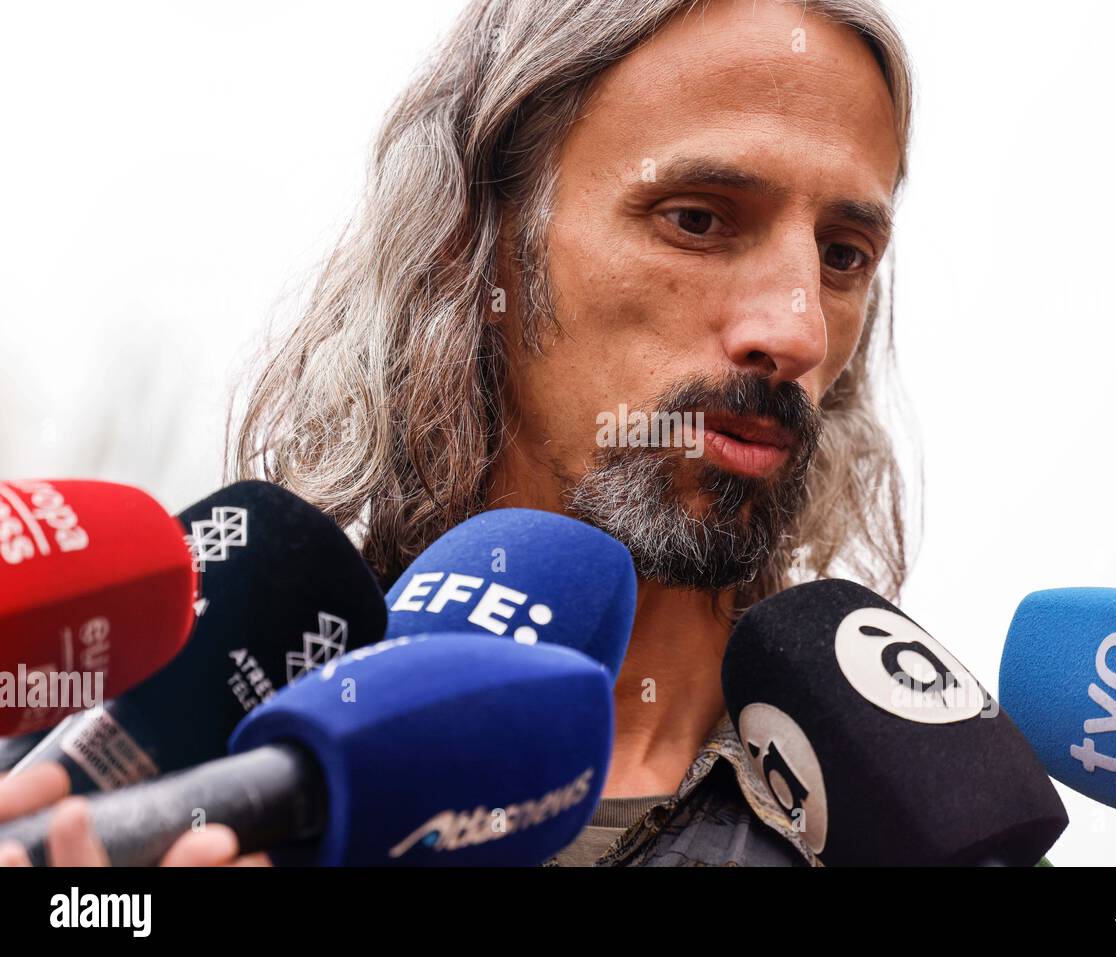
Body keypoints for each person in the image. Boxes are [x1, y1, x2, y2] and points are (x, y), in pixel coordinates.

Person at [3, 0, 914, 866]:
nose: (799, 332)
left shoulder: (904, 819)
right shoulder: (172, 729)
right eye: (697, 219)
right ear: (468, 240)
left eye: (843, 255)